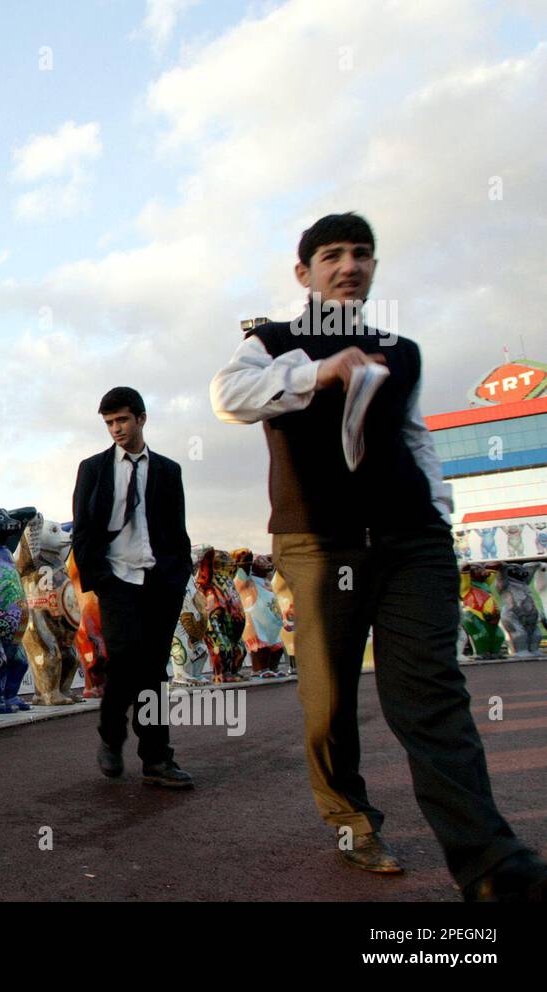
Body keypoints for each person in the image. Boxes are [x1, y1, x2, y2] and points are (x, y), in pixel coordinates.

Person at [210, 211, 547, 901]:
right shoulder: (272, 342)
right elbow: (229, 399)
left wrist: (440, 514)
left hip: (410, 541)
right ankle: (351, 819)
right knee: (328, 702)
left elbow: (415, 436)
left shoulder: (405, 351)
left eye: (362, 254)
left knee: (430, 696)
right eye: (331, 255)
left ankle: (489, 864)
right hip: (317, 544)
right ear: (303, 272)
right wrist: (316, 373)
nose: (349, 265)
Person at [71, 386, 194, 788]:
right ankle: (111, 735)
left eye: (122, 420)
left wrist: (177, 579)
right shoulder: (92, 468)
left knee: (154, 674)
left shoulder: (168, 470)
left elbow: (177, 532)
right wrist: (99, 580)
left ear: (140, 418)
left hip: (159, 583)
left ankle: (157, 760)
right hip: (117, 581)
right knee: (123, 664)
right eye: (109, 423)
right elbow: (84, 532)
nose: (116, 429)